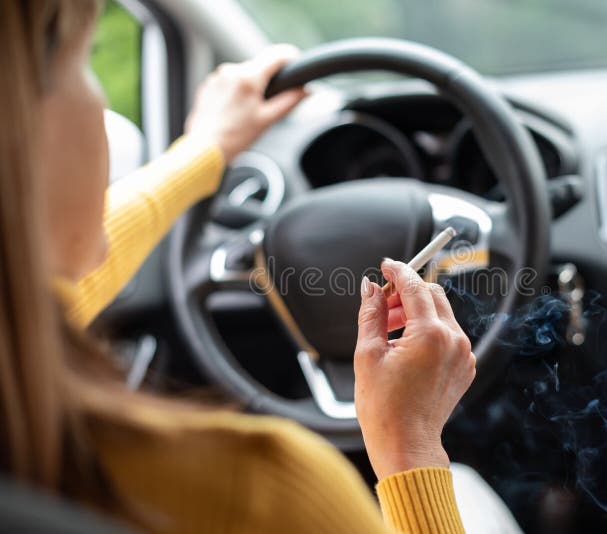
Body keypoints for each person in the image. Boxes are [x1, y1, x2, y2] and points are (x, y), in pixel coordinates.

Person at [0, 0, 478, 532]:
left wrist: (208, 146)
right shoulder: (260, 493)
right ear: (20, 124)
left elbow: (50, 268)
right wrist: (410, 446)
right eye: (82, 58)